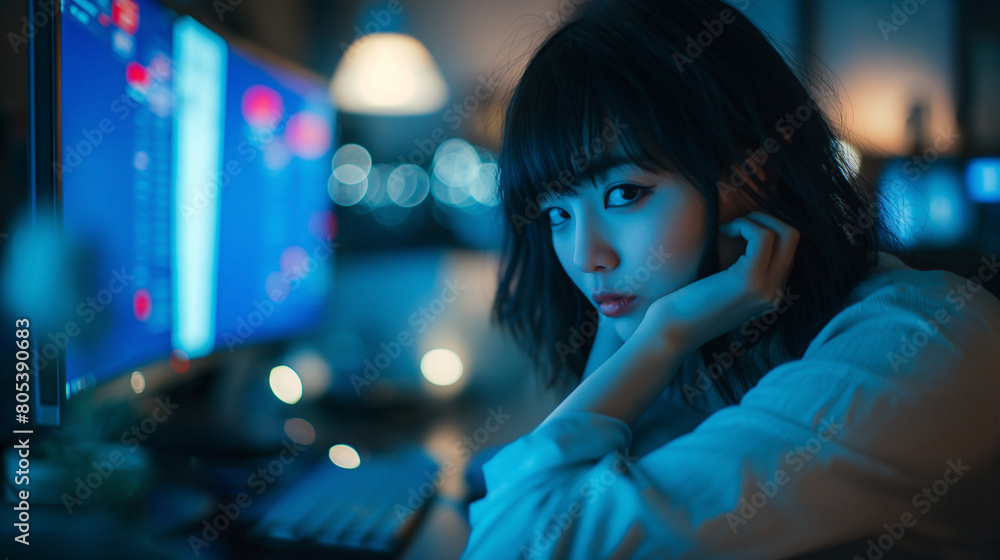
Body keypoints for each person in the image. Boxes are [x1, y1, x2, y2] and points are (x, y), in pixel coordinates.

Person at [460, 0, 1000, 558]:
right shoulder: (703, 348)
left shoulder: (912, 344)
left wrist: (662, 335)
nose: (585, 256)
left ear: (753, 171)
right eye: (557, 213)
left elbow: (514, 544)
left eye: (624, 193)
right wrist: (648, 338)